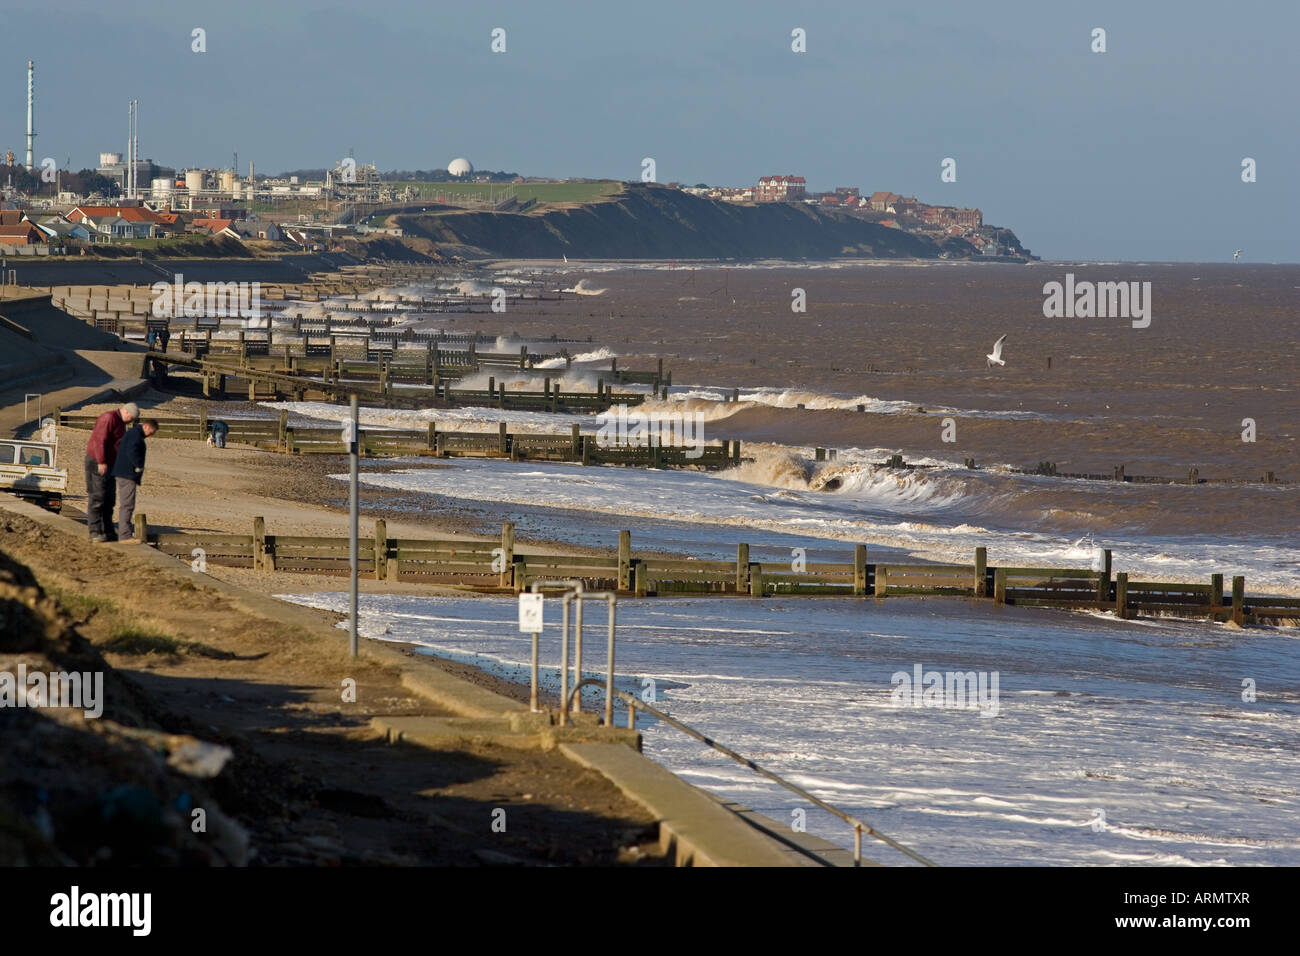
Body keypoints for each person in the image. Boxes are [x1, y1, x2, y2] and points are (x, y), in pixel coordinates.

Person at [85, 402, 138, 542]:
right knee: (98, 497)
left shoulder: (120, 422)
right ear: (126, 412)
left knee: (109, 499)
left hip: (111, 464)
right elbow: (99, 441)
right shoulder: (108, 418)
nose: (131, 422)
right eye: (131, 418)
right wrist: (101, 461)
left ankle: (108, 531)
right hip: (97, 462)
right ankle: (95, 532)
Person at [111, 418, 157, 544]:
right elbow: (132, 451)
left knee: (126, 505)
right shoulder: (135, 435)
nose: (151, 435)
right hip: (127, 474)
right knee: (127, 505)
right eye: (151, 432)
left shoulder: (134, 433)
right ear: (146, 426)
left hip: (124, 473)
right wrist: (138, 466)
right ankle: (125, 536)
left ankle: (125, 533)